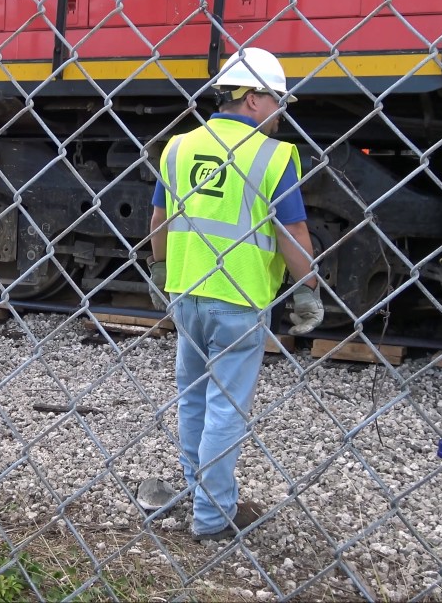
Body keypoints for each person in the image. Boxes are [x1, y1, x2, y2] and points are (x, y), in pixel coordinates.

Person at [146, 47, 324, 542]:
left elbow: (158, 220)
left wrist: (160, 268)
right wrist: (307, 288)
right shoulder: (273, 155)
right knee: (226, 407)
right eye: (277, 100)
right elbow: (293, 234)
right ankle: (212, 515)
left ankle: (193, 492)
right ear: (251, 98)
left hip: (186, 292)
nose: (281, 112)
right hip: (239, 298)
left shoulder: (178, 147)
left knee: (193, 400)